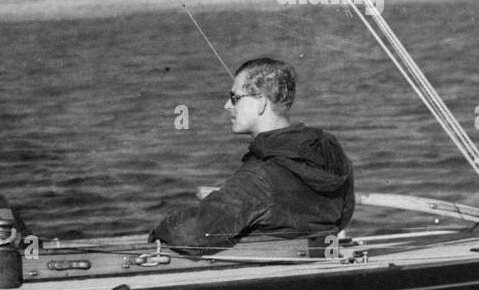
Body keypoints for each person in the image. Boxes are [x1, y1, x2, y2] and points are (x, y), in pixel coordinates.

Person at [150, 57, 354, 256]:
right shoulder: (330, 149)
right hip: (318, 263)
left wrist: (167, 220)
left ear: (260, 103)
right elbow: (342, 216)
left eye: (234, 98)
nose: (227, 106)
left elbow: (191, 235)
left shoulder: (257, 178)